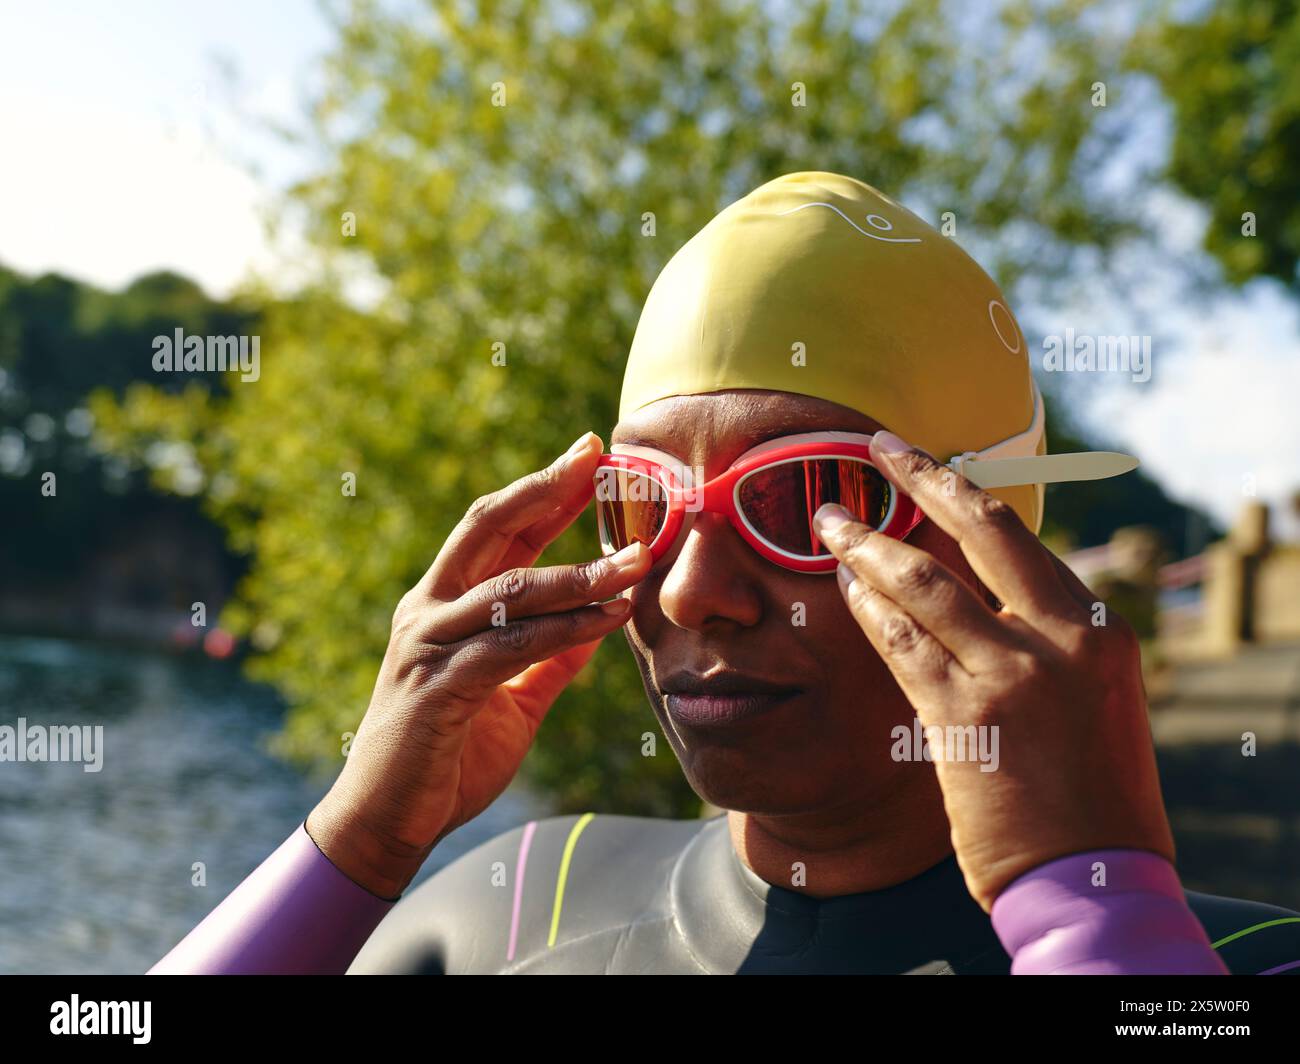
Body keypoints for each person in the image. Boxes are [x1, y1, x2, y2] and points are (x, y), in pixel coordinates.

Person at [150, 172, 1300, 975]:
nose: (694, 589)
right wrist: (355, 839)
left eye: (808, 499)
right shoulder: (511, 904)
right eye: (644, 502)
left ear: (990, 534)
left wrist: (1086, 913)